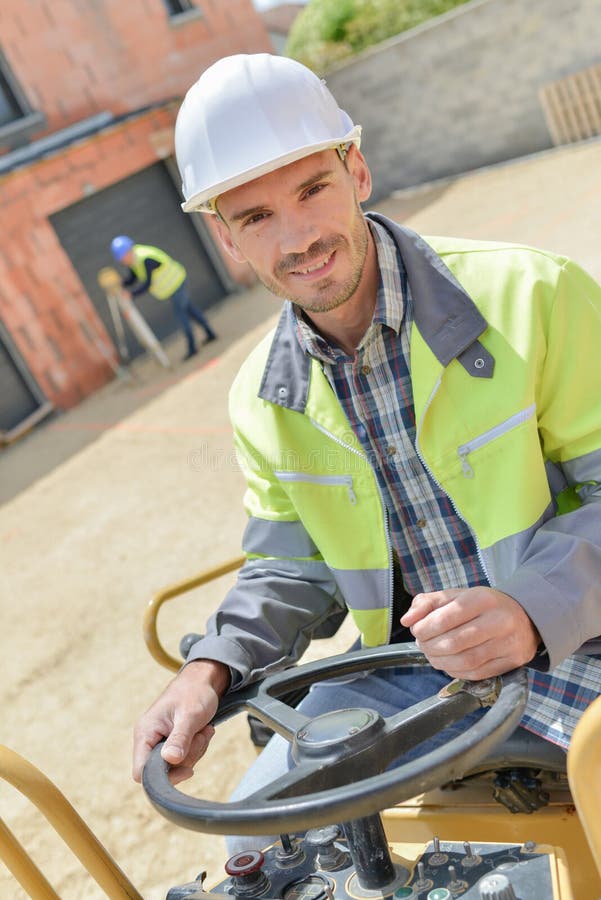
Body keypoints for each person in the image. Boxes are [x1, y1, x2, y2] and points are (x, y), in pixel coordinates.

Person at [132, 53, 601, 845]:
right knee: (257, 847)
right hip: (404, 678)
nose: (299, 238)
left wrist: (530, 605)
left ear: (357, 169)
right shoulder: (259, 397)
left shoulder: (535, 293)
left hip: (578, 640)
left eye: (311, 189)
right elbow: (289, 564)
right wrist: (207, 667)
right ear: (226, 239)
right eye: (255, 217)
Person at [110, 236, 217, 361]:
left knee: (182, 316)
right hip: (171, 287)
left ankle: (192, 348)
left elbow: (147, 284)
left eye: (122, 258)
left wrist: (132, 294)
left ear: (128, 251)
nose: (122, 262)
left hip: (176, 282)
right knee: (190, 310)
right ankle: (210, 334)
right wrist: (120, 283)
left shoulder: (146, 258)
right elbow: (133, 278)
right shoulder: (133, 260)